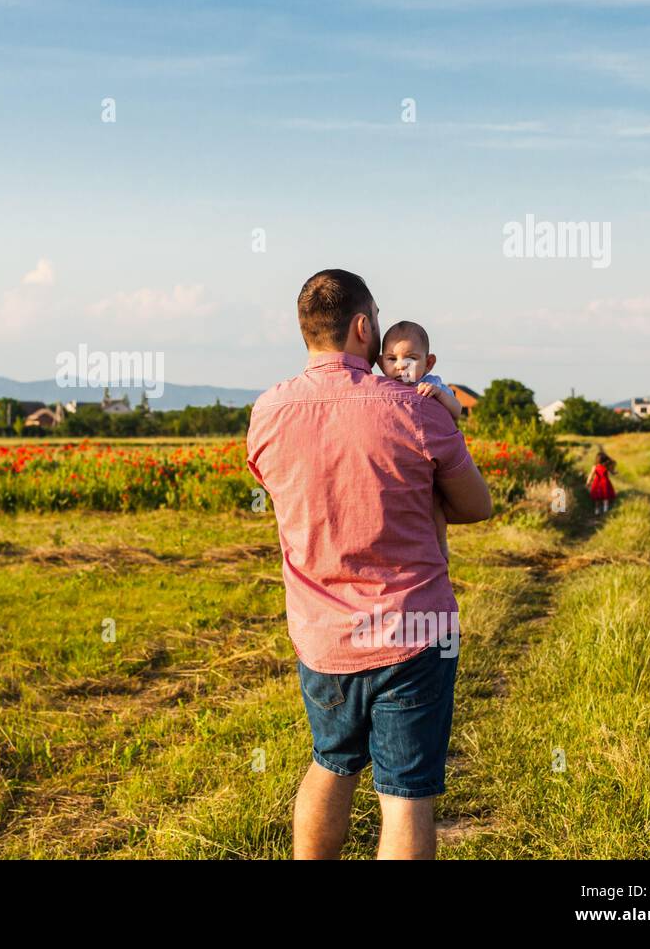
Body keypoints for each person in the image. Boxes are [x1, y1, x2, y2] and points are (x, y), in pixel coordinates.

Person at [246, 269, 493, 860]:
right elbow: (477, 506)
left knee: (330, 765)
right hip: (413, 631)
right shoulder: (417, 409)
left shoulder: (268, 411)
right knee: (406, 796)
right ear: (363, 327)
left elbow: (288, 492)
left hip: (320, 636)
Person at [379, 320, 462, 560]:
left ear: (428, 362)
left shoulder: (431, 385)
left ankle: (441, 549)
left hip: (433, 459)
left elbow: (456, 410)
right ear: (379, 362)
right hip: (402, 458)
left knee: (435, 507)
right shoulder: (382, 386)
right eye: (391, 359)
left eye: (411, 358)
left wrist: (438, 395)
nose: (401, 366)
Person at [587, 448, 617, 514]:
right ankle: (605, 510)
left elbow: (591, 474)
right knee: (606, 497)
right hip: (605, 483)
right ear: (605, 459)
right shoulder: (606, 466)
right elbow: (612, 472)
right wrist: (615, 473)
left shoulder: (595, 466)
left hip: (597, 483)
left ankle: (596, 511)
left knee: (597, 498)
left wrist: (588, 482)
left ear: (597, 459)